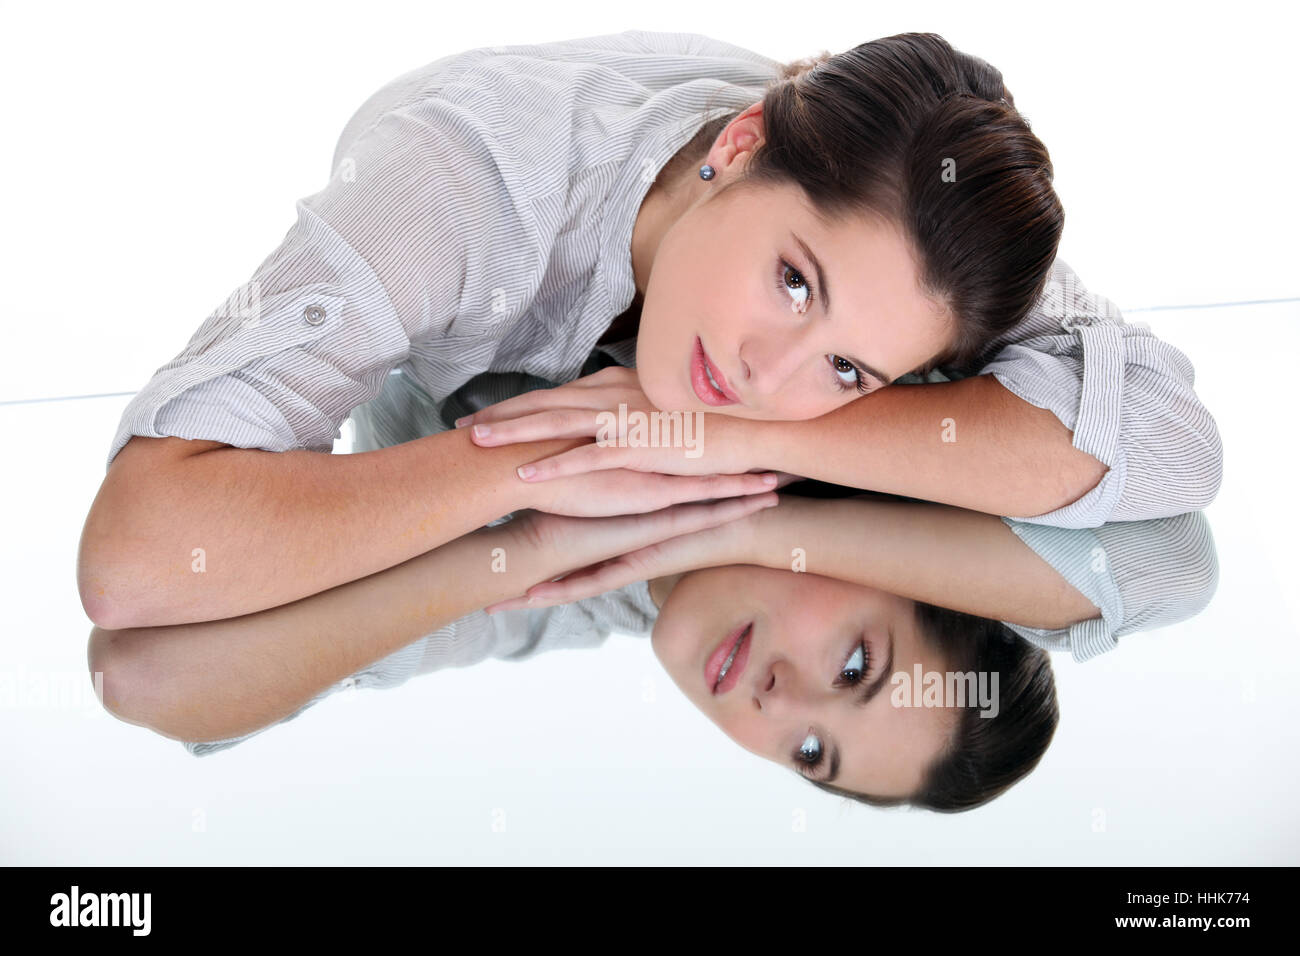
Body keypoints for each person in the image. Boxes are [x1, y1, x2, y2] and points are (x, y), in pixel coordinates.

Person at [78, 29, 1223, 634]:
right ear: (738, 144)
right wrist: (552, 458)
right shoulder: (458, 186)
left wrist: (739, 444)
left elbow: (1172, 444)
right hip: (446, 506)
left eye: (847, 369)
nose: (767, 374)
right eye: (790, 280)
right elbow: (136, 558)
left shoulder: (912, 247)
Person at [87, 367, 1219, 814]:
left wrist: (528, 548)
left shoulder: (585, 597)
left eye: (810, 753)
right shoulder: (829, 382)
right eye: (855, 669)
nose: (781, 702)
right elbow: (1178, 558)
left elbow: (139, 674)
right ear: (894, 559)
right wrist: (767, 514)